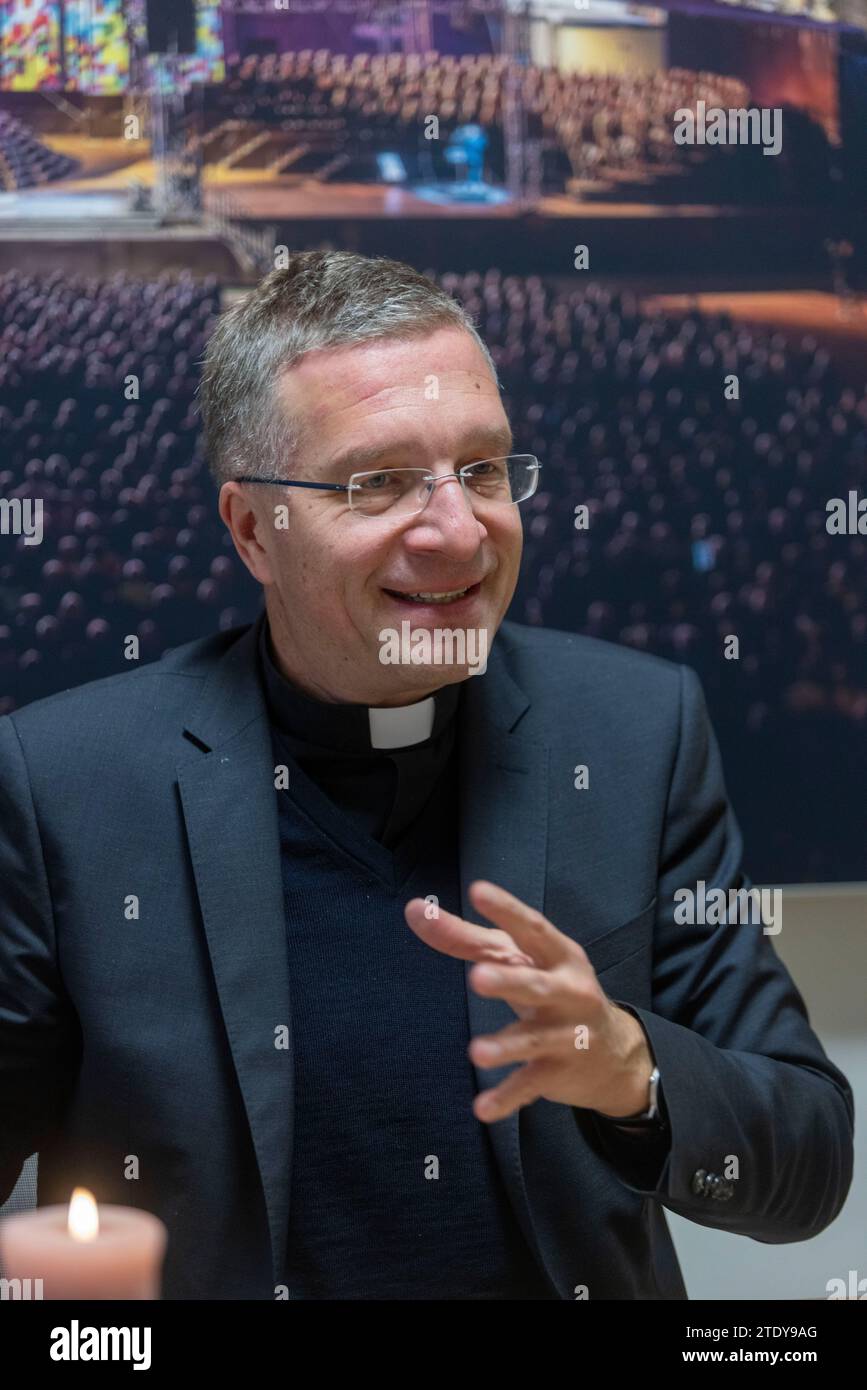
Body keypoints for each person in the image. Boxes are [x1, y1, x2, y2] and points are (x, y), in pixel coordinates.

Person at [0, 252, 853, 1300]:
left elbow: (805, 1165)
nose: (459, 531)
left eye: (484, 470)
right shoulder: (66, 782)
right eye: (381, 481)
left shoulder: (635, 731)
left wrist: (628, 1066)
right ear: (251, 529)